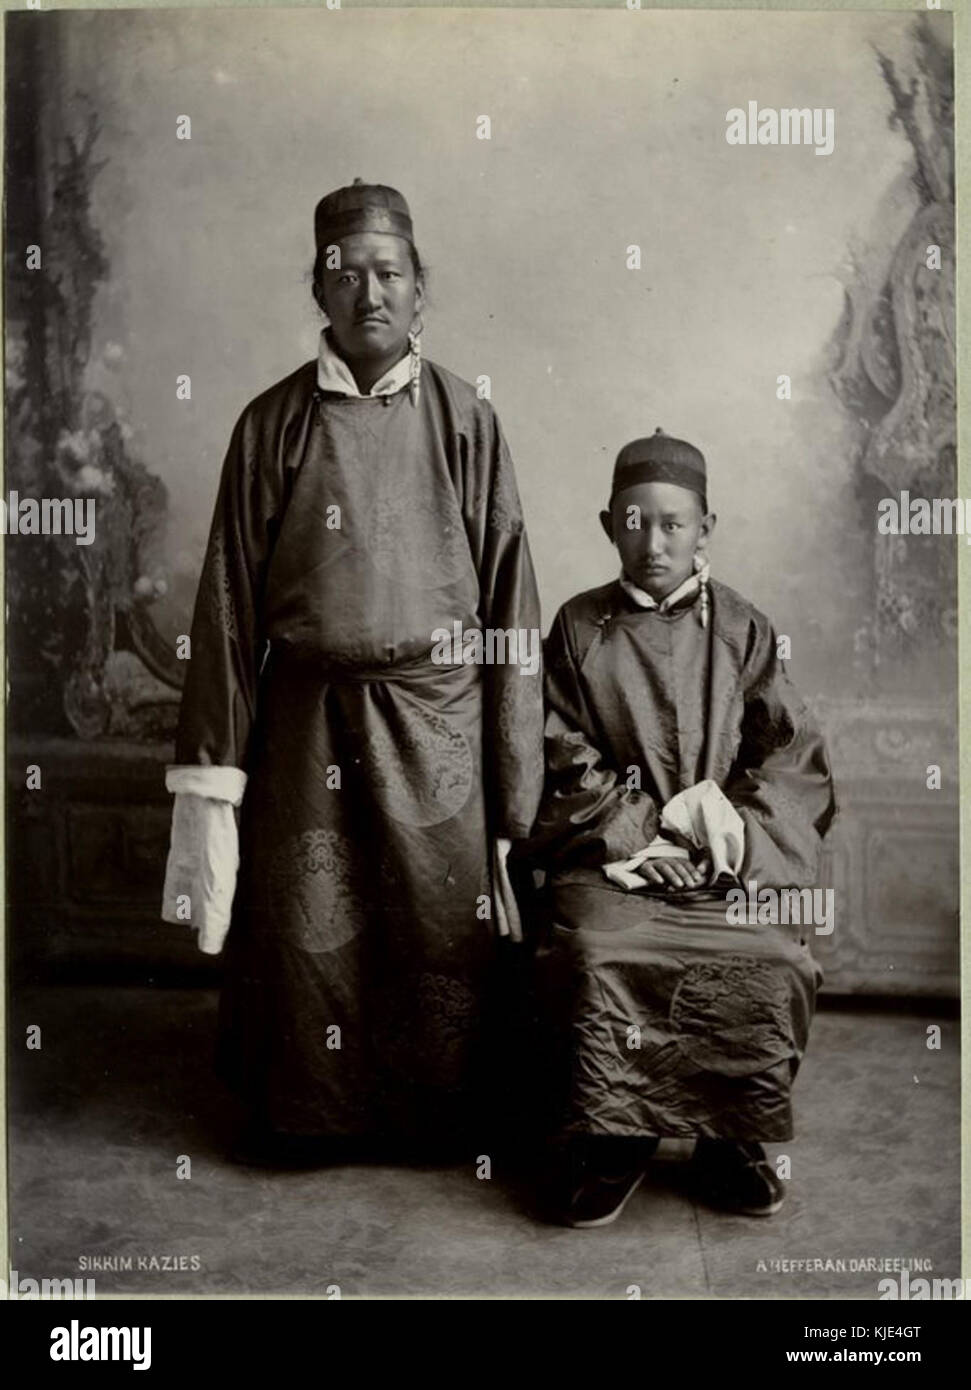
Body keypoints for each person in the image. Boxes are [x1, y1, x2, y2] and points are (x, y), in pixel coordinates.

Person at [161, 181, 544, 1157]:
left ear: (421, 291)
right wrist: (213, 777)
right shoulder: (271, 426)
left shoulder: (466, 420)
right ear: (318, 290)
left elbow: (508, 603)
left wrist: (514, 801)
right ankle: (306, 1116)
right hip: (306, 719)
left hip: (437, 721)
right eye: (347, 273)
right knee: (309, 925)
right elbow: (225, 606)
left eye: (391, 274)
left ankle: (438, 1118)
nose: (369, 293)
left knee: (433, 926)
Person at [527, 429, 836, 1226]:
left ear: (705, 528)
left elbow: (790, 757)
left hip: (726, 865)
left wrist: (726, 836)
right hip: (609, 861)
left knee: (772, 955)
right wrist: (638, 839)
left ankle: (728, 1135)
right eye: (634, 522)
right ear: (607, 526)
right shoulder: (575, 630)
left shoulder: (743, 630)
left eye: (672, 523)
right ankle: (615, 1133)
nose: (653, 541)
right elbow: (556, 752)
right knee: (599, 954)